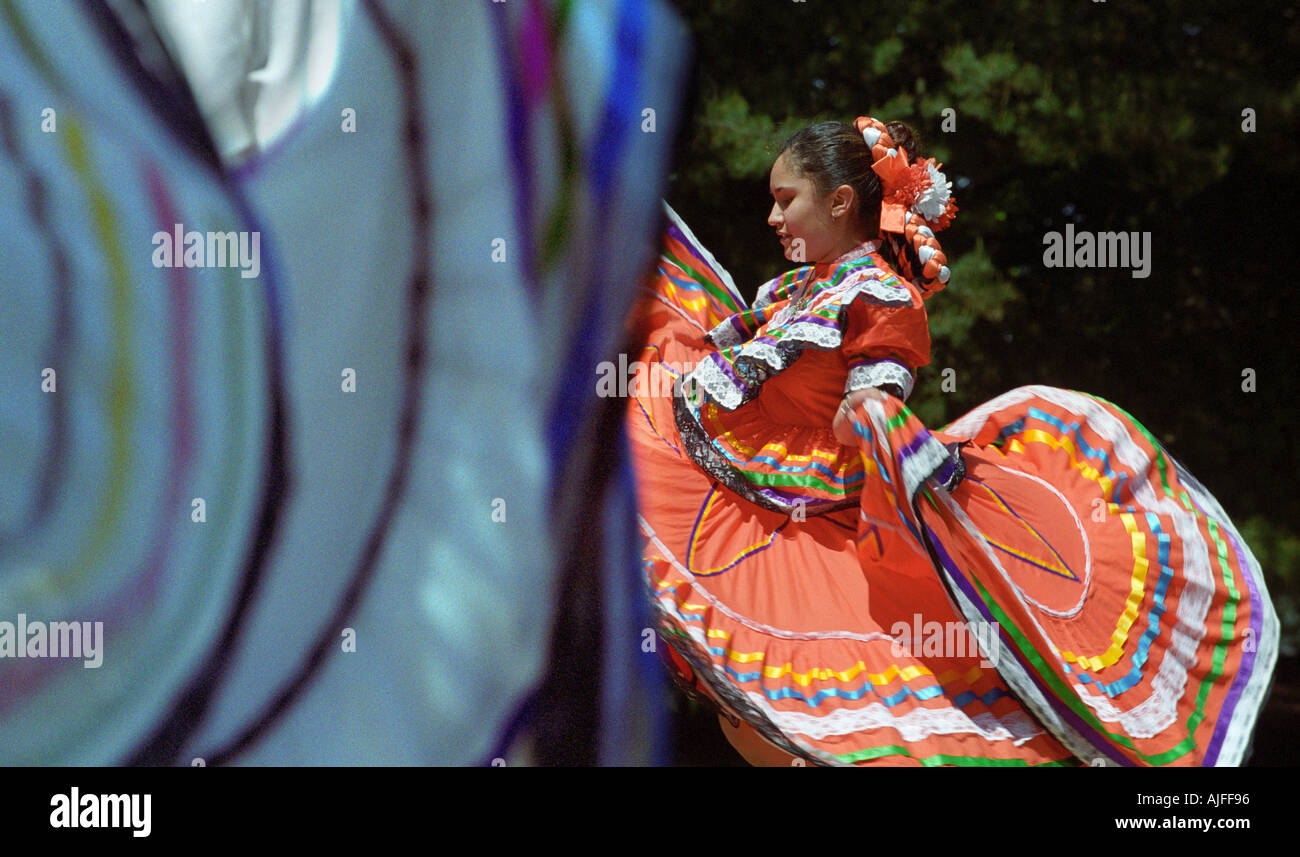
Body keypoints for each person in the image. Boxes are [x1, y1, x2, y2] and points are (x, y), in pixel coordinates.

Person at [626, 116, 1279, 766]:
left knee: (811, 702)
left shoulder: (880, 294)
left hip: (822, 498)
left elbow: (879, 388)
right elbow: (724, 345)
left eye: (784, 198)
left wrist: (871, 416)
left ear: (840, 201)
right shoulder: (797, 285)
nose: (772, 216)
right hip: (758, 473)